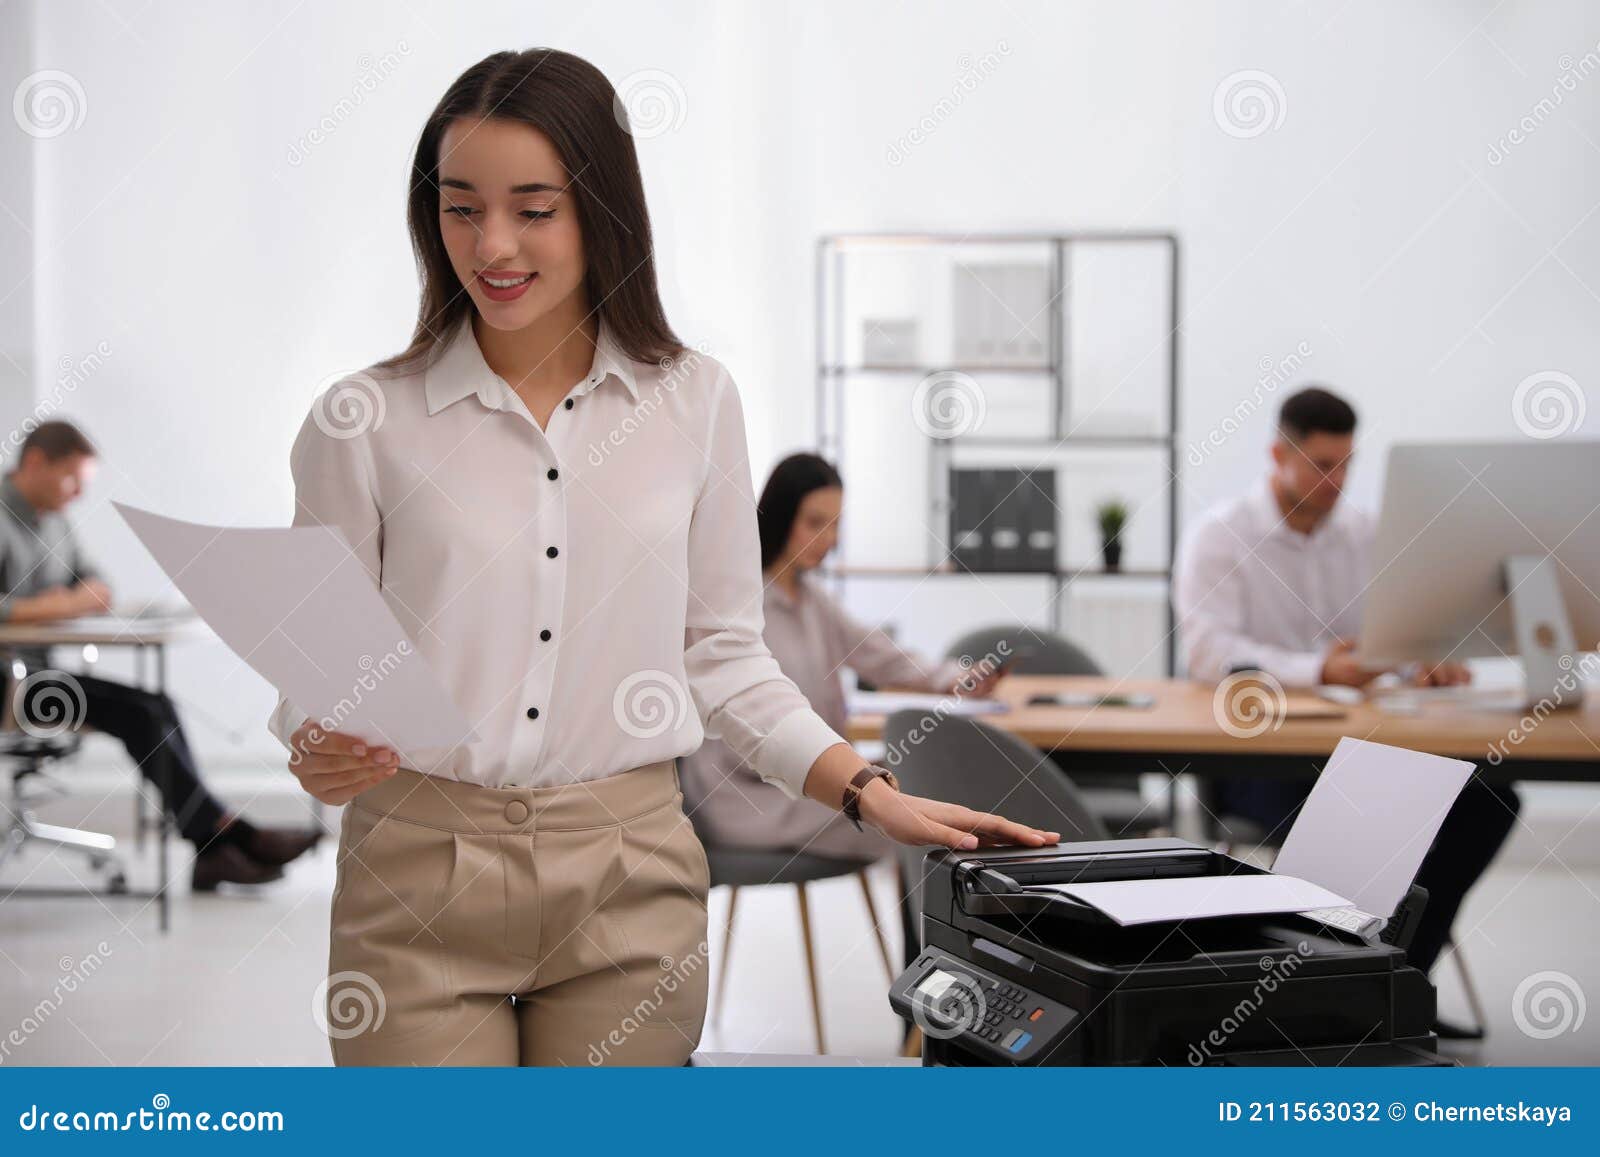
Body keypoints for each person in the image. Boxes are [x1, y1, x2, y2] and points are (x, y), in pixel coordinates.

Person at [269, 48, 1056, 1068]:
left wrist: (866, 790)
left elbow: (723, 654)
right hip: (417, 878)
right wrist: (314, 739)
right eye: (461, 208)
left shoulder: (695, 400)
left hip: (629, 877)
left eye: (534, 209)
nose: (492, 244)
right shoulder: (362, 419)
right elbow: (318, 667)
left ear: (603, 210)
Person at [1174, 385, 1520, 1032]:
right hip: (1260, 761)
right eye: (1321, 465)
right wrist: (1319, 669)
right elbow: (1208, 655)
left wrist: (1424, 658)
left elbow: (1395, 631)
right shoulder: (1220, 536)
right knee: (1377, 814)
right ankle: (1340, 1000)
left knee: (1488, 801)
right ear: (1279, 455)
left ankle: (1394, 986)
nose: (1335, 481)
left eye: (1345, 465)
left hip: (1365, 749)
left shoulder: (1366, 533)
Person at [0, 421, 320, 890]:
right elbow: (69, 598)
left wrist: (59, 602)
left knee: (155, 705)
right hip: (9, 685)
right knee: (140, 716)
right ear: (34, 462)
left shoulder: (55, 521)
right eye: (71, 480)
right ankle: (222, 837)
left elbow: (98, 585)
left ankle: (216, 841)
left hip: (38, 678)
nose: (78, 495)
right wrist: (63, 604)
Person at [681, 452, 1001, 861]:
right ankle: (938, 902)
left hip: (804, 781)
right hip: (749, 798)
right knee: (912, 813)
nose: (828, 539)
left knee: (922, 787)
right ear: (780, 517)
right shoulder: (738, 605)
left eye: (835, 525)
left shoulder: (813, 600)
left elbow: (882, 656)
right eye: (815, 522)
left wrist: (956, 678)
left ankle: (949, 899)